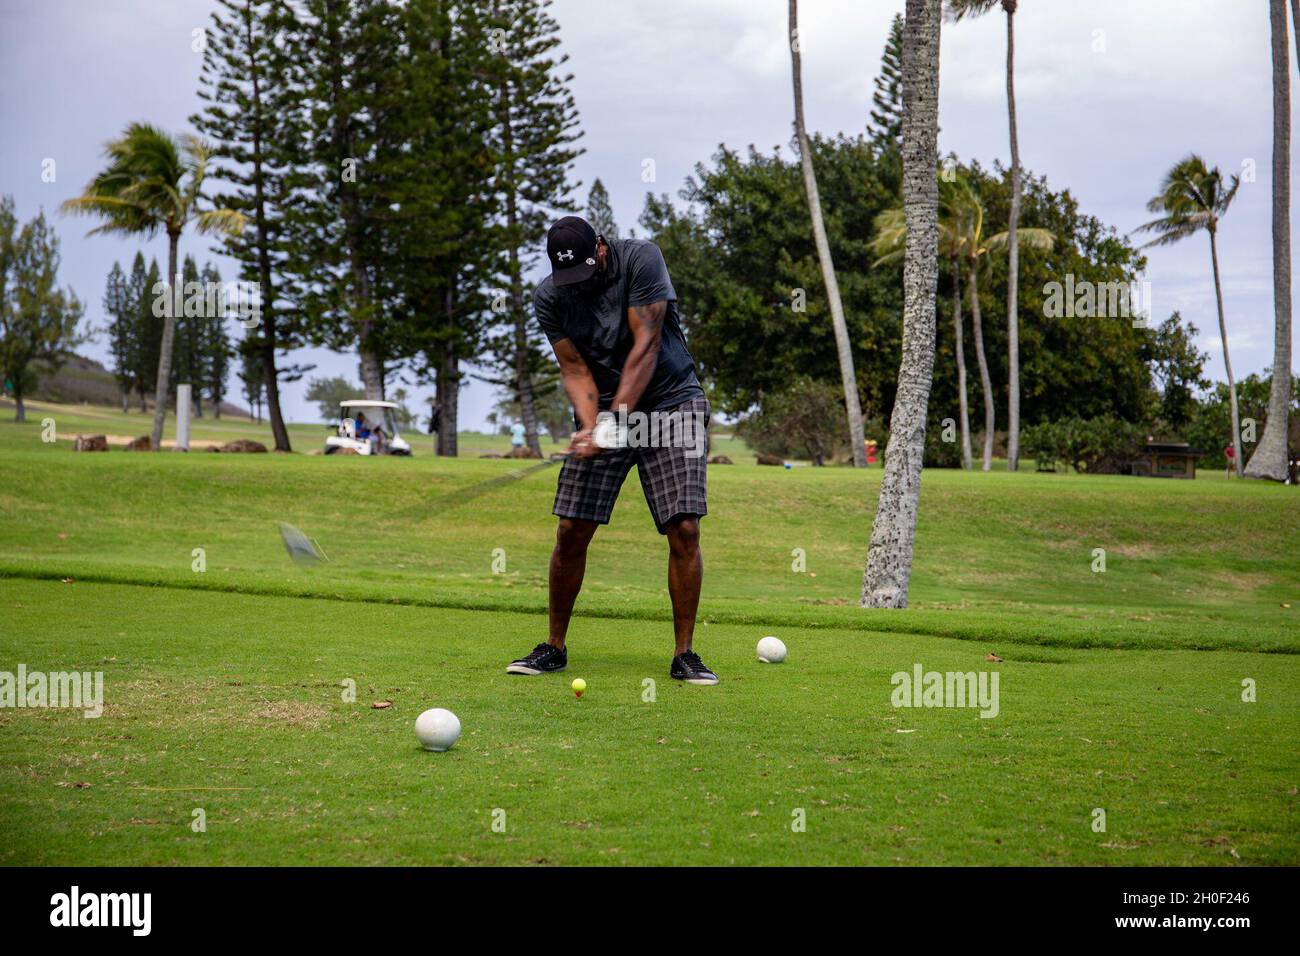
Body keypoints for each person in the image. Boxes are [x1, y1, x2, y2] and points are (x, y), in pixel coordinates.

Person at [505, 215, 717, 685]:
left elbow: (646, 345)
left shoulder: (641, 259)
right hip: (604, 409)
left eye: (584, 271)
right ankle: (554, 647)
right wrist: (588, 426)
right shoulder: (550, 297)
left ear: (600, 248)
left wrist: (617, 423)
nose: (578, 285)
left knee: (683, 525)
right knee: (571, 527)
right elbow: (575, 368)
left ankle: (685, 653)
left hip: (671, 402)